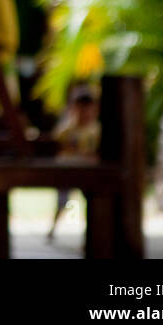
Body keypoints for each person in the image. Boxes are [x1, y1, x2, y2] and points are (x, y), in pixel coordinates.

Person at [48, 85, 100, 241]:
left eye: (87, 109)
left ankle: (91, 234)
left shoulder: (95, 130)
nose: (84, 113)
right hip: (68, 170)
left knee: (92, 201)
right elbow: (58, 145)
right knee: (62, 201)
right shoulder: (67, 129)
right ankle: (53, 227)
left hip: (88, 173)